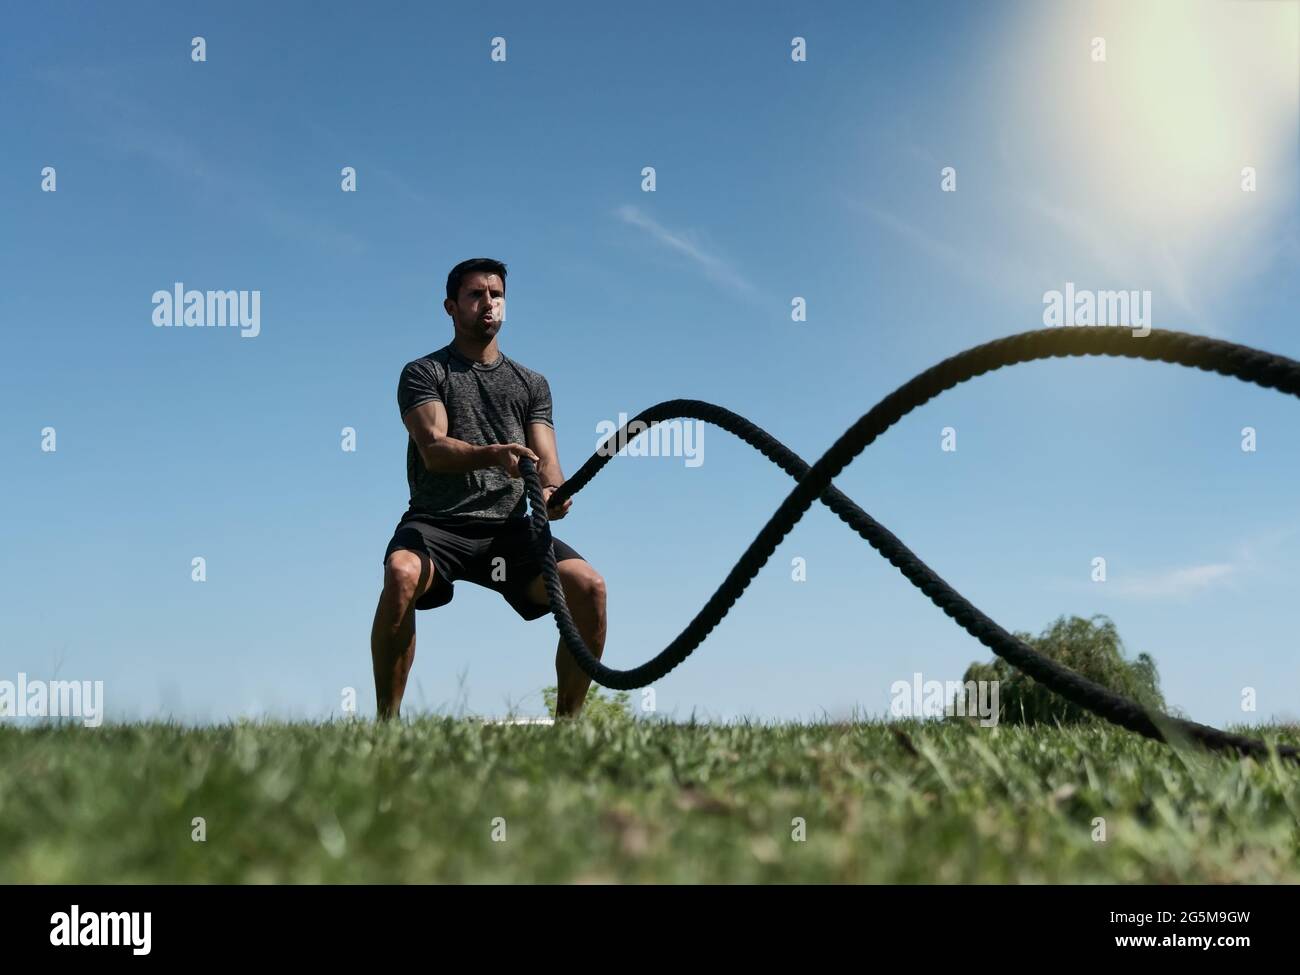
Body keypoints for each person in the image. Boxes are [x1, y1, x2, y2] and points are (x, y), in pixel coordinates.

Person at [371, 258, 607, 720]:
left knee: (589, 588)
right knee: (400, 574)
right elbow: (434, 449)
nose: (488, 304)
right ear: (450, 307)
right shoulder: (424, 372)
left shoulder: (531, 383)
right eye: (476, 295)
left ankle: (569, 728)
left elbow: (547, 459)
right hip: (437, 526)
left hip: (508, 531)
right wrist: (496, 454)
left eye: (496, 295)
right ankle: (386, 728)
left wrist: (555, 493)